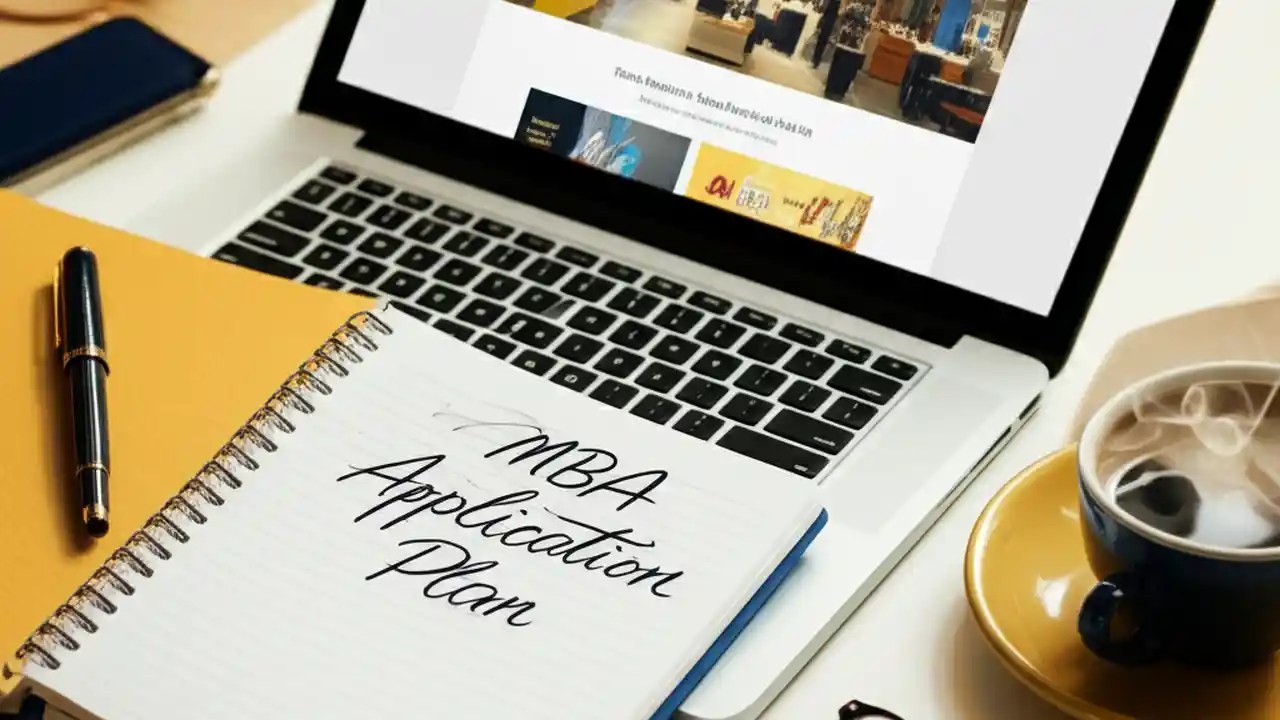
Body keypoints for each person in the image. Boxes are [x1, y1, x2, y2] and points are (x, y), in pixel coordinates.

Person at [812, 0, 842, 68]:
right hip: (830, 22)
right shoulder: (837, 2)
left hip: (827, 22)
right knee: (822, 42)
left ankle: (816, 60)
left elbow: (822, 9)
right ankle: (816, 60)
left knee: (821, 41)